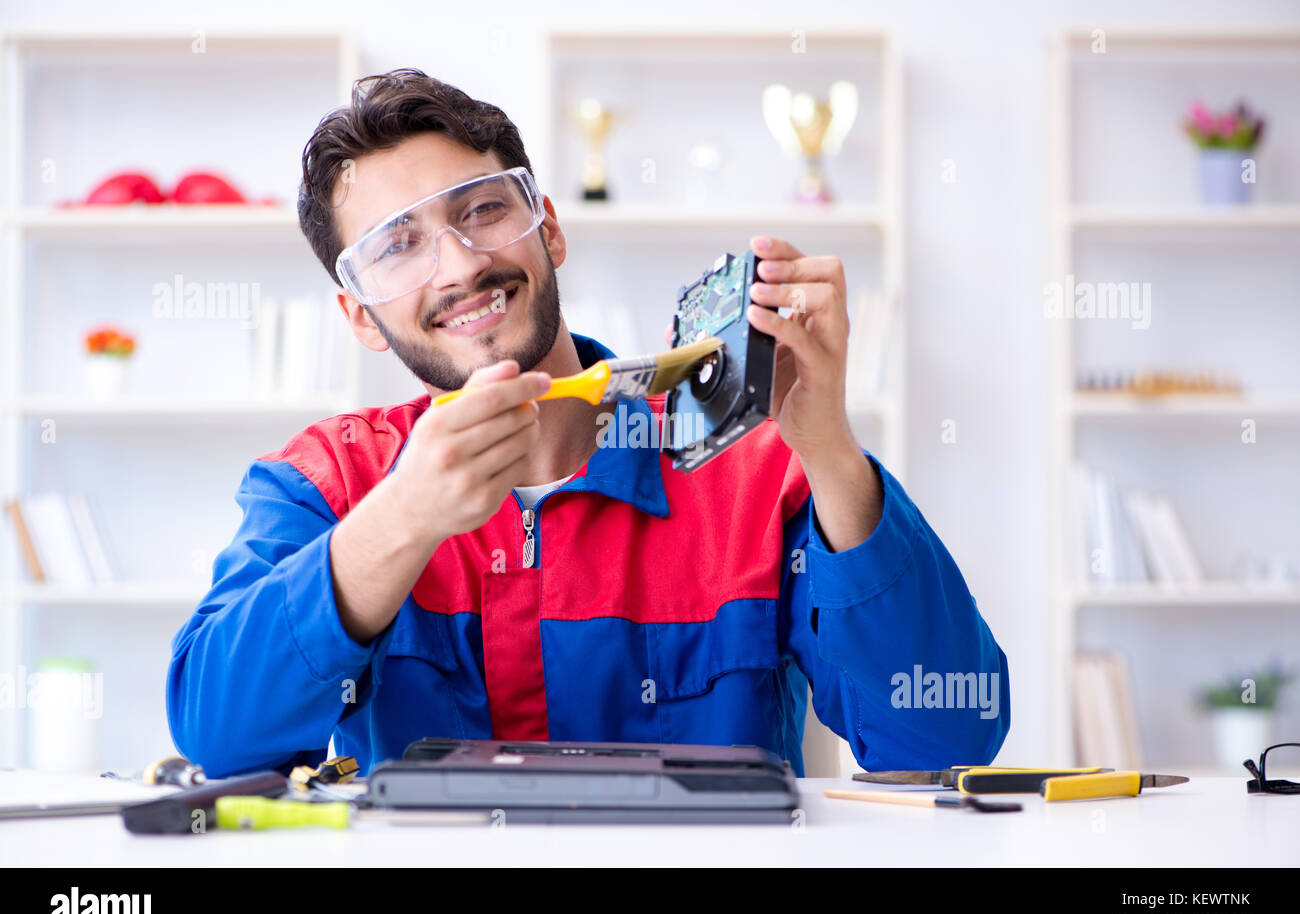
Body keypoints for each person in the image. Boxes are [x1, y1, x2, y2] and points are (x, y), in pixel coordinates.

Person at [167, 69, 1009, 778]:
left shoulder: (758, 476)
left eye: (482, 209)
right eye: (398, 245)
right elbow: (218, 732)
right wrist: (402, 518)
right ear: (359, 317)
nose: (461, 263)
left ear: (550, 228)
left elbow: (946, 734)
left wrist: (827, 449)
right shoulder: (326, 482)